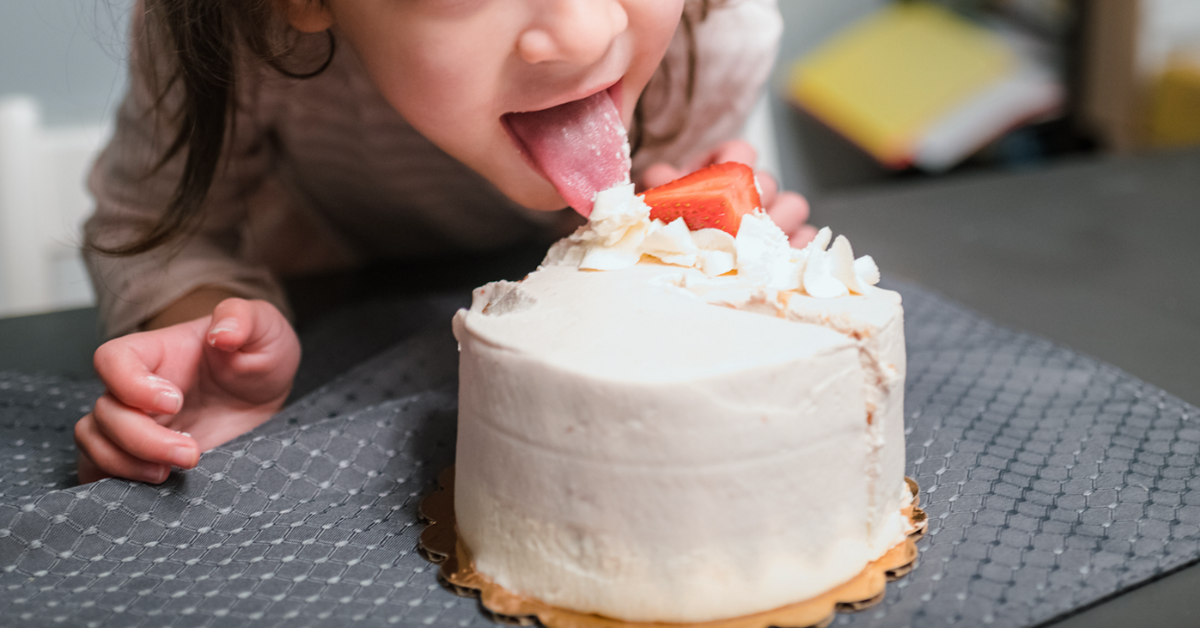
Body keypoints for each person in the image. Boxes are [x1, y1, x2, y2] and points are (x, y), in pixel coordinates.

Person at [75, 0, 816, 484]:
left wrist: (699, 253)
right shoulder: (235, 33)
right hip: (324, 274)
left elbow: (633, 227)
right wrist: (201, 329)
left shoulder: (714, 33)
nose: (587, 30)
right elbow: (148, 227)